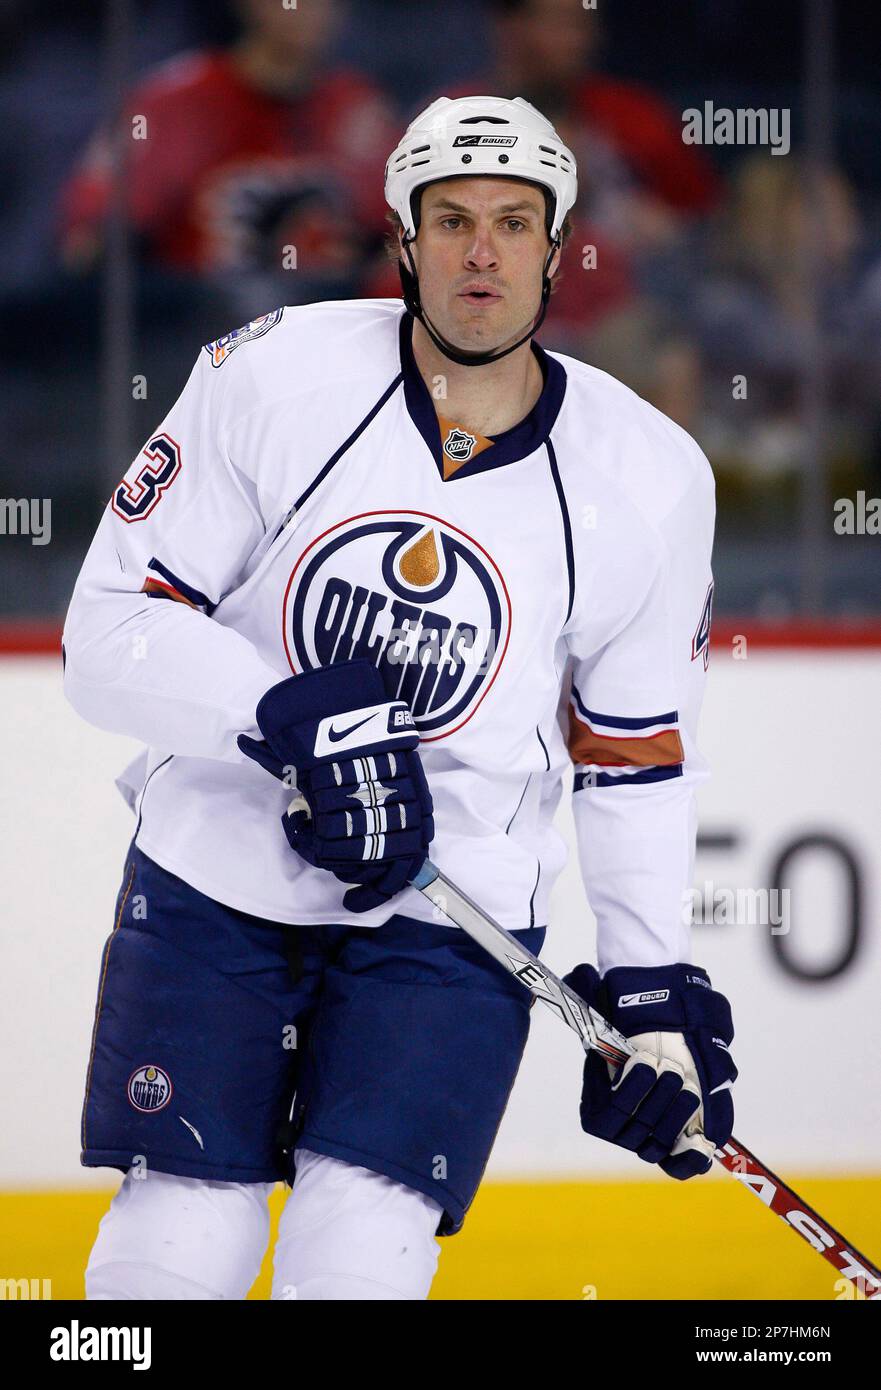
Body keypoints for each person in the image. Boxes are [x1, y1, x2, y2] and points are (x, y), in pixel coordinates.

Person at [63, 94, 736, 1302]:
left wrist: (648, 990)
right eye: (453, 219)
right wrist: (294, 719)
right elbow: (107, 632)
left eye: (515, 222)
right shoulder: (271, 374)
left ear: (557, 244)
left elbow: (630, 754)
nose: (483, 250)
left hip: (450, 912)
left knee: (356, 1256)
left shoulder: (649, 477)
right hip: (219, 872)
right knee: (180, 1240)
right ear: (403, 238)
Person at [59, 0, 394, 300]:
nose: (312, 10)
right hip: (199, 336)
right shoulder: (177, 100)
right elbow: (86, 247)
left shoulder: (355, 106)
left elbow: (404, 240)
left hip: (329, 335)